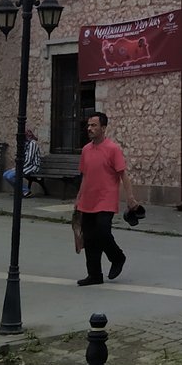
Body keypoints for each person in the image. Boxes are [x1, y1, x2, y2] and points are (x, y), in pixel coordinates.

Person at [75, 112, 138, 286]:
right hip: (87, 200)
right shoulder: (86, 150)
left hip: (106, 199)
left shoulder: (112, 149)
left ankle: (117, 257)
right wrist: (78, 198)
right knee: (89, 238)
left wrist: (130, 197)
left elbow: (123, 175)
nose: (89, 128)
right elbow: (85, 175)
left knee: (102, 231)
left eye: (94, 125)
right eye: (88, 125)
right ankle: (94, 275)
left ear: (103, 128)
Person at [4, 127, 41, 197]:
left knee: (10, 176)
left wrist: (18, 168)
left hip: (32, 167)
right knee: (5, 174)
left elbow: (29, 160)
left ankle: (26, 191)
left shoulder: (32, 144)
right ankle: (19, 190)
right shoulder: (25, 144)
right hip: (24, 166)